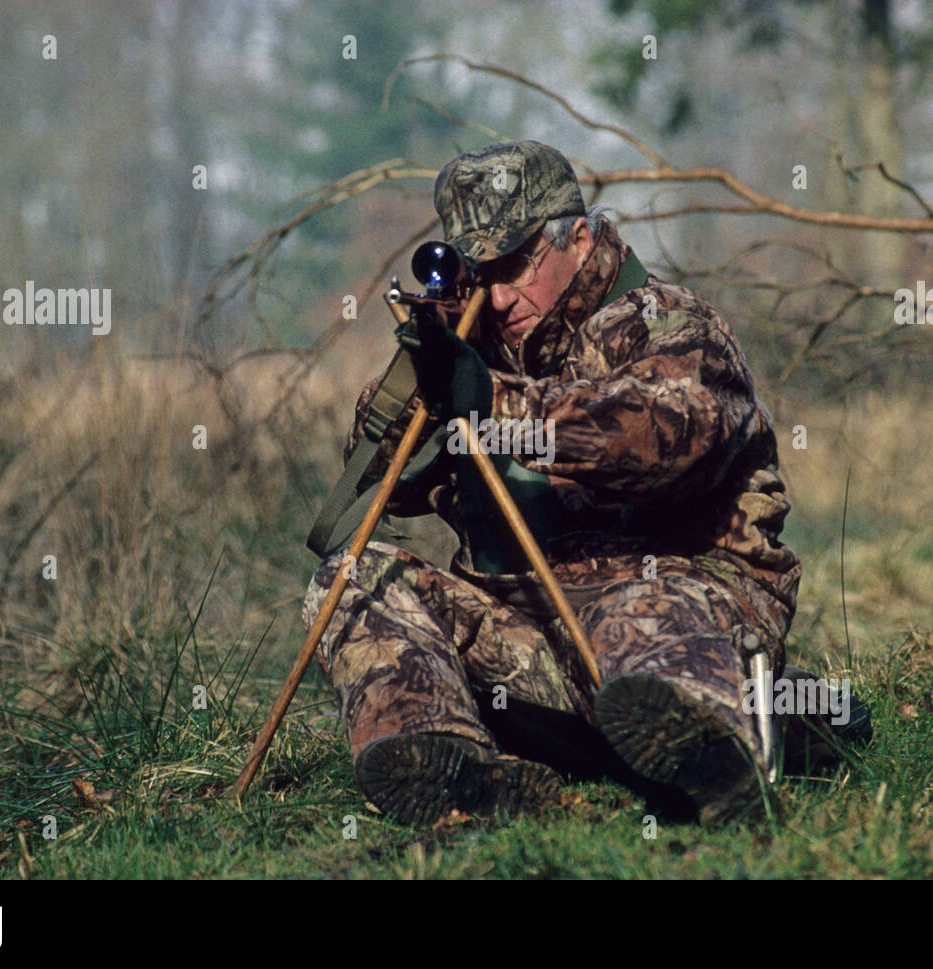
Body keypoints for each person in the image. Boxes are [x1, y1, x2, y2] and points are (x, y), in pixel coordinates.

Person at [302, 140, 865, 826]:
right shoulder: (477, 344)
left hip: (672, 602)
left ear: (578, 234)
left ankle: (723, 754)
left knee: (640, 618)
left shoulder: (671, 323)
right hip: (527, 633)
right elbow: (386, 493)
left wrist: (493, 402)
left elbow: (660, 437)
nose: (500, 296)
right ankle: (458, 776)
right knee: (353, 579)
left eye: (516, 265)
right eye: (482, 274)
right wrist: (417, 388)